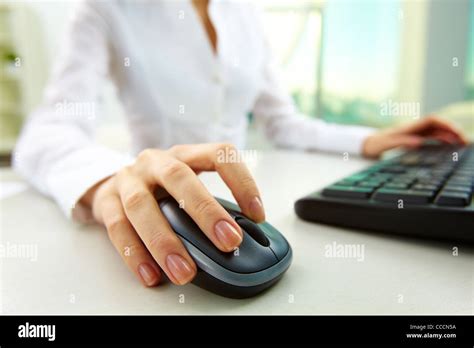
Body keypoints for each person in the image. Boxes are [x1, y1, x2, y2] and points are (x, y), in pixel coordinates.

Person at [14, 0, 468, 288]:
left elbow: (284, 123)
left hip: (256, 199)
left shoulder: (245, 11)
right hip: (162, 199)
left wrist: (375, 139)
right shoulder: (106, 8)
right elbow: (47, 131)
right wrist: (110, 178)